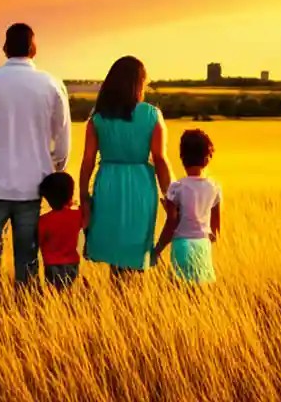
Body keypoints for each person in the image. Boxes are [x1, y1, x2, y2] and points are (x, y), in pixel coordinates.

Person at [0, 23, 71, 292]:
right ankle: (24, 315)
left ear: (5, 48)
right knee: (28, 263)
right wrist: (55, 171)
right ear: (34, 49)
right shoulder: (52, 84)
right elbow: (63, 138)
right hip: (33, 188)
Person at [80, 56, 172, 276]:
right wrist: (171, 195)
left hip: (108, 185)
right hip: (141, 186)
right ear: (138, 83)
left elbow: (87, 161)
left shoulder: (98, 118)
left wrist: (84, 197)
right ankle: (131, 304)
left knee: (115, 251)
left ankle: (118, 301)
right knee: (136, 249)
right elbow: (160, 158)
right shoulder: (151, 114)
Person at [153, 129, 222, 284]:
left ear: (182, 158)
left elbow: (172, 222)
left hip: (181, 245)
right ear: (207, 159)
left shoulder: (176, 188)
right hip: (203, 245)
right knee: (200, 293)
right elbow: (216, 229)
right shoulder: (215, 187)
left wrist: (157, 249)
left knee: (179, 290)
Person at [38, 171, 85, 289]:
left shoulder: (44, 220)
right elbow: (87, 217)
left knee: (55, 293)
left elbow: (37, 242)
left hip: (51, 264)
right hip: (73, 263)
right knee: (69, 293)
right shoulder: (77, 216)